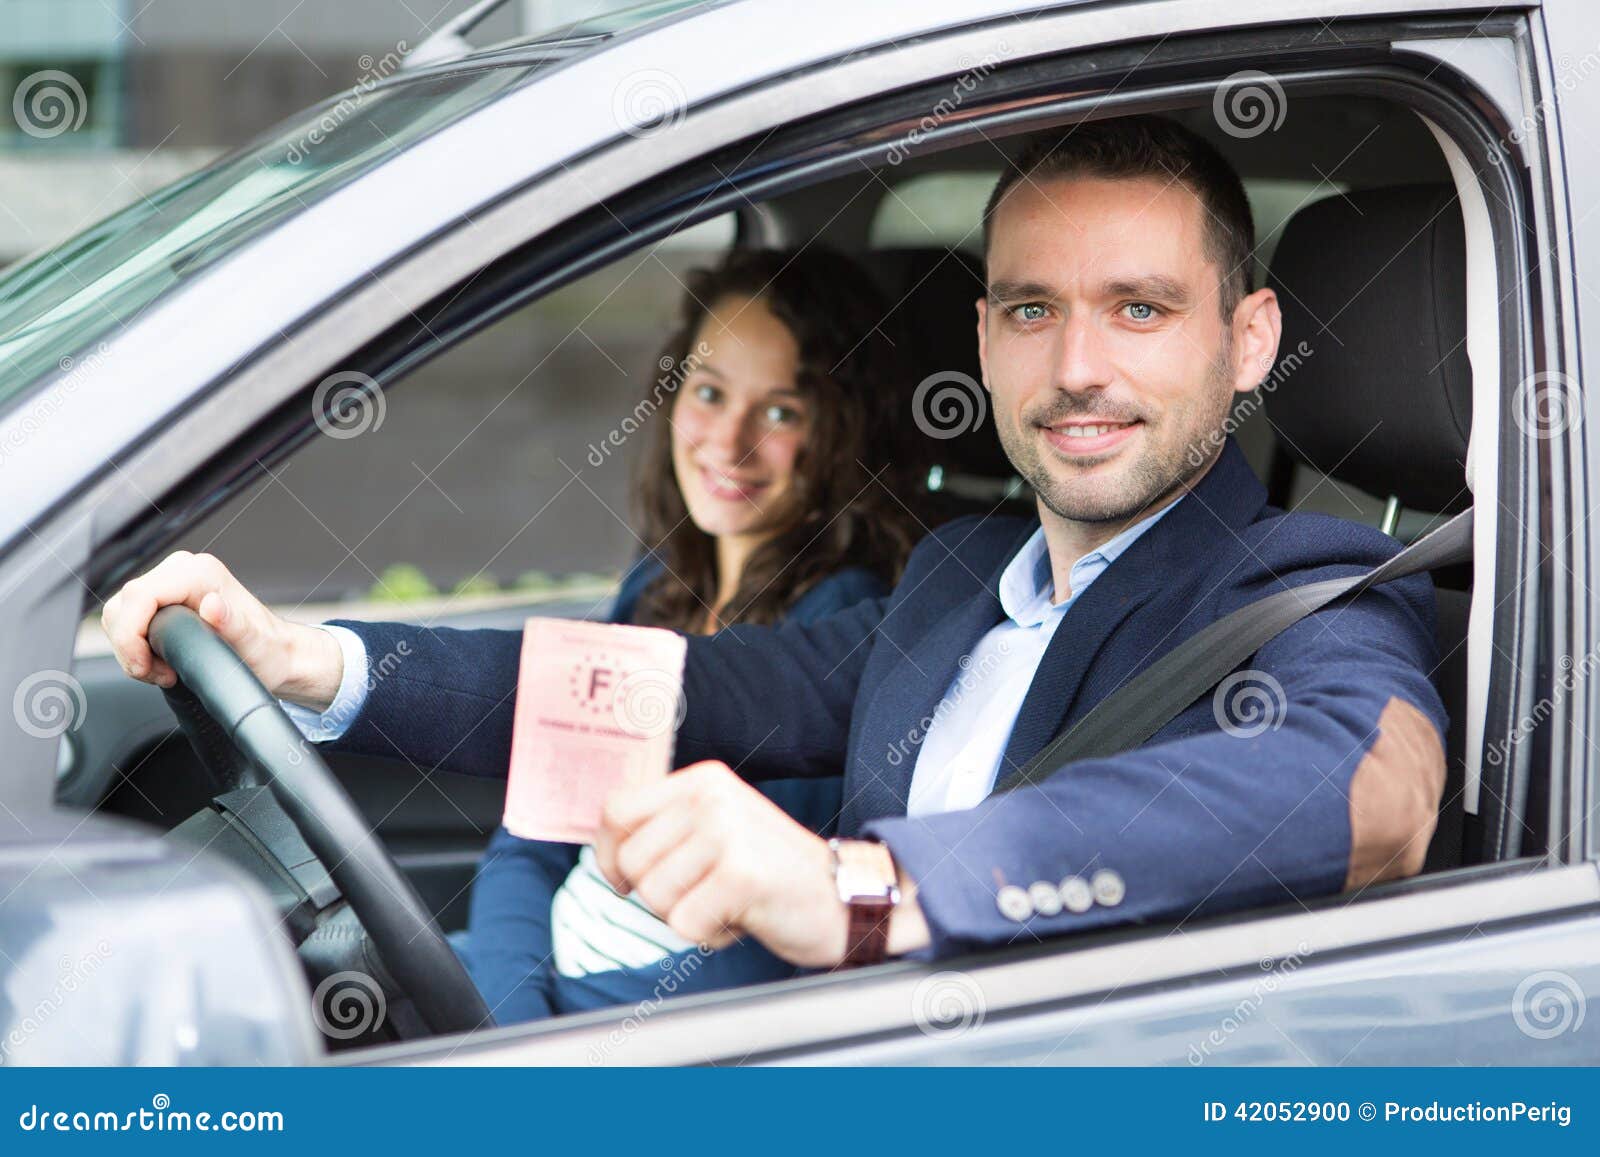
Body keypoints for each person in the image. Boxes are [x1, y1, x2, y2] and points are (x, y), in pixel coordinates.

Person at [103, 116, 1446, 986]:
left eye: (1142, 309)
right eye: (1033, 308)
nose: (1079, 366)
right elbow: (668, 691)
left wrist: (866, 885)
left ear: (1252, 339)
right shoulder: (953, 579)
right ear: (982, 340)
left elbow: (1373, 795)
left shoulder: (1293, 595)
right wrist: (314, 660)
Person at [444, 247, 917, 1021]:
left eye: (781, 411)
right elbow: (528, 842)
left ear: (842, 433)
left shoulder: (837, 627)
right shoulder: (660, 581)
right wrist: (515, 1024)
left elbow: (747, 959)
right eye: (708, 392)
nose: (728, 443)